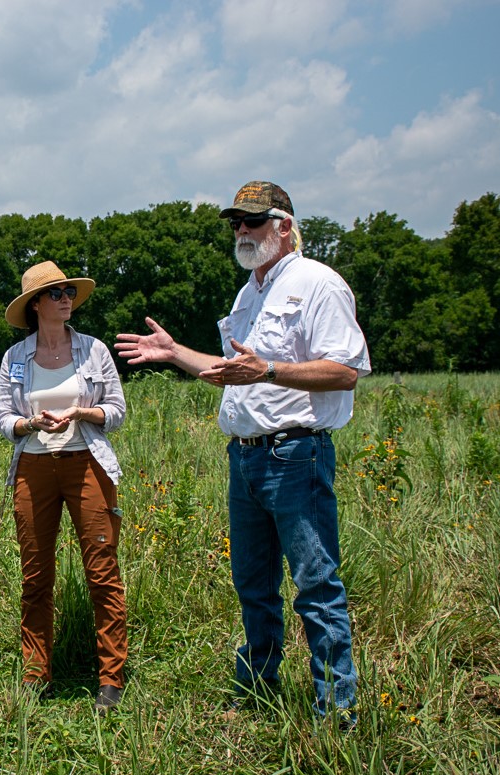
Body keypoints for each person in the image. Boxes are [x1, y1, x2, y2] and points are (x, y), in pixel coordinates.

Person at [114, 181, 370, 725]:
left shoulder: (317, 283)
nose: (241, 232)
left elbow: (345, 370)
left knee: (316, 586)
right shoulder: (249, 294)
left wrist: (270, 370)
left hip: (296, 454)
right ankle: (257, 691)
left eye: (252, 221)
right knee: (254, 585)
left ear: (285, 225)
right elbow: (231, 373)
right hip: (246, 457)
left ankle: (336, 714)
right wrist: (173, 352)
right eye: (235, 223)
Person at [0, 260, 128, 715]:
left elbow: (116, 411)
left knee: (102, 572)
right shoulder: (15, 357)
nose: (66, 298)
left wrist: (81, 413)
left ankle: (111, 678)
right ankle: (36, 674)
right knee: (35, 576)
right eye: (55, 293)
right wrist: (29, 423)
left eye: (69, 291)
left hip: (87, 464)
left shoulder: (94, 351)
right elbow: (3, 418)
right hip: (33, 468)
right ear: (35, 305)